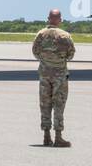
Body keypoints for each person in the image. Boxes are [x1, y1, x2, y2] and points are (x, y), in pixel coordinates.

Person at [31, 8, 76, 147]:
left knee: (45, 104)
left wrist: (46, 60)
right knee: (59, 104)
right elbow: (71, 55)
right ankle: (58, 136)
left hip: (45, 74)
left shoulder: (40, 34)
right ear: (60, 20)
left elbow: (35, 52)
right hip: (60, 75)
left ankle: (46, 135)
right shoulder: (65, 36)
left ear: (48, 19)